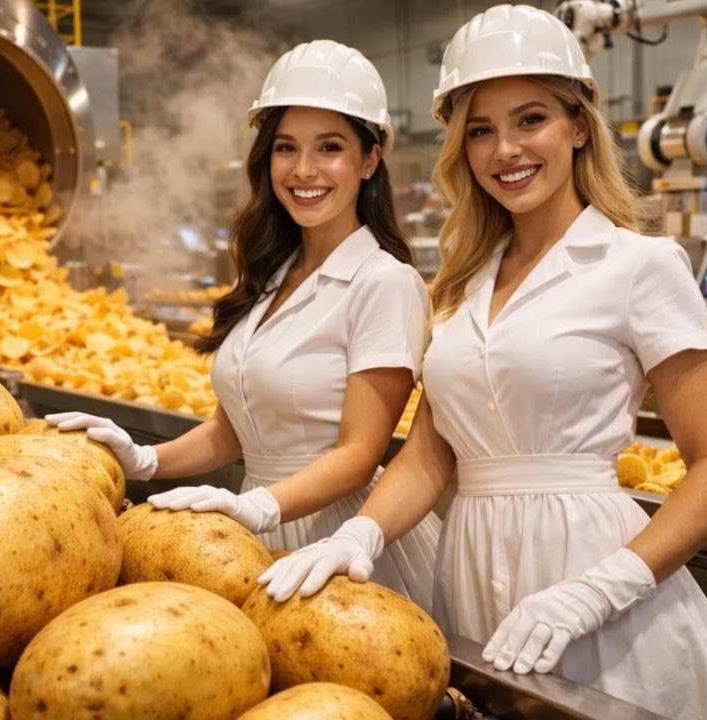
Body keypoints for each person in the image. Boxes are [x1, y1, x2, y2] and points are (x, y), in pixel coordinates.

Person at [256, 6, 707, 719]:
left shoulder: (639, 265)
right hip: (468, 570)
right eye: (481, 131)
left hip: (594, 576)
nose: (505, 150)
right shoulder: (462, 283)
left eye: (531, 120)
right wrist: (360, 533)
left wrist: (599, 590)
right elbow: (430, 455)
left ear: (579, 126)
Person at [48, 39, 441, 609]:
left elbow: (360, 454)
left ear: (369, 160)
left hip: (338, 540)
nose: (303, 169)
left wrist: (258, 507)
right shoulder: (272, 273)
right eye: (286, 148)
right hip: (251, 528)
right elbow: (233, 431)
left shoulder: (384, 282)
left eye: (329, 147)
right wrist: (147, 459)